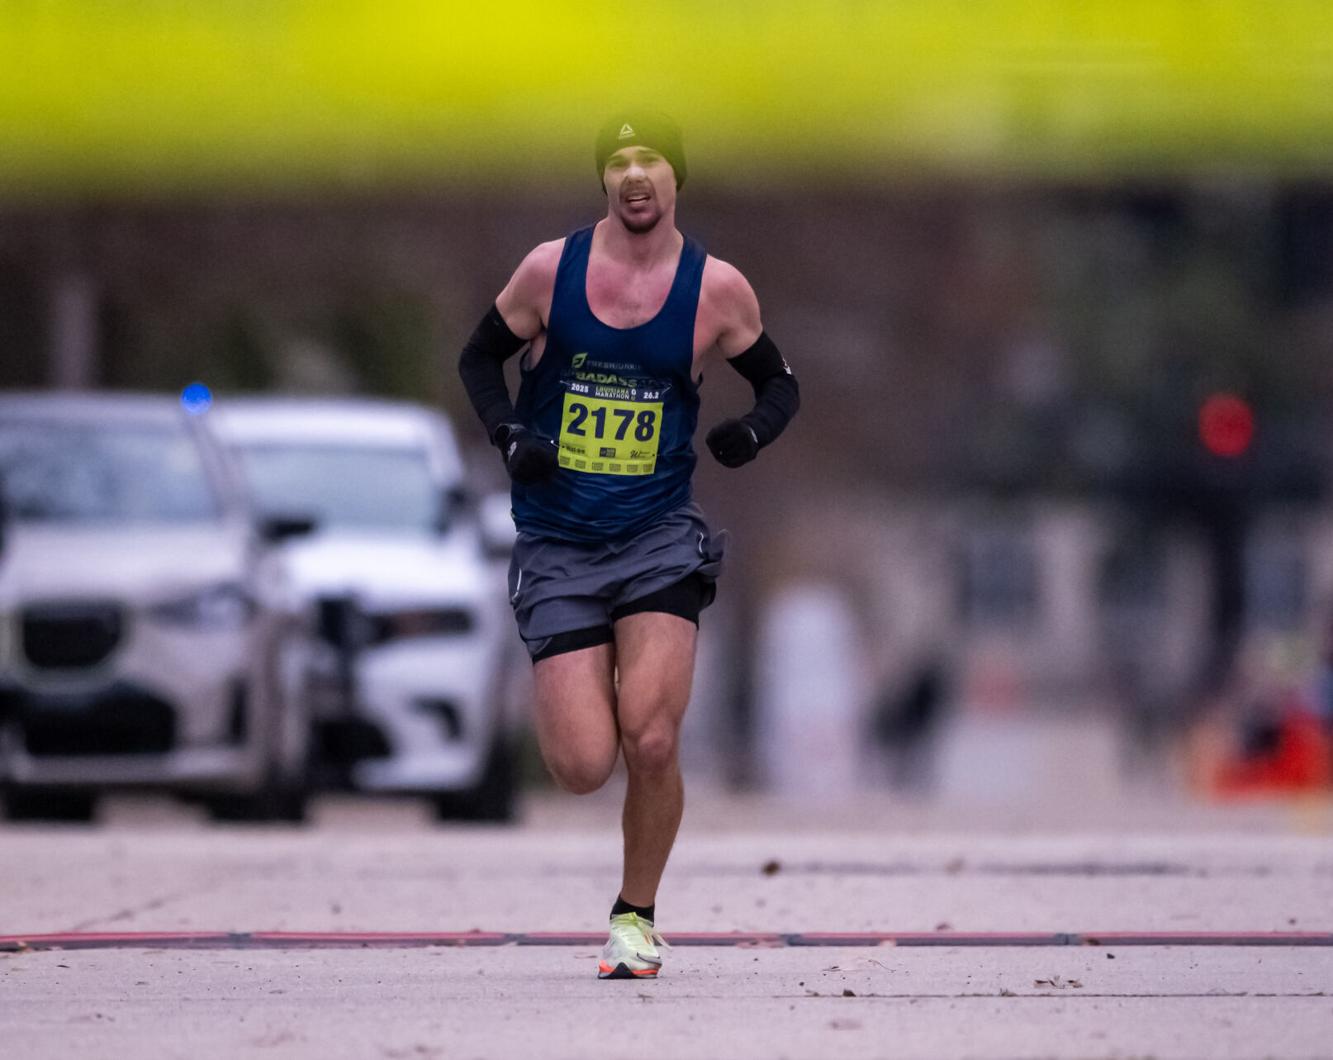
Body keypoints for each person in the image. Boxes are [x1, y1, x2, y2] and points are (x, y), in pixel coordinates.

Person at [457, 110, 799, 979]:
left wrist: (749, 435)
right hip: (558, 541)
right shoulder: (549, 270)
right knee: (580, 766)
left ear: (676, 177)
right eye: (618, 162)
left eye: (650, 160)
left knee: (650, 739)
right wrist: (509, 437)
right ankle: (592, 716)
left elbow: (779, 385)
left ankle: (635, 916)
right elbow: (475, 362)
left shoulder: (716, 289)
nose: (634, 176)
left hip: (656, 539)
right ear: (604, 179)